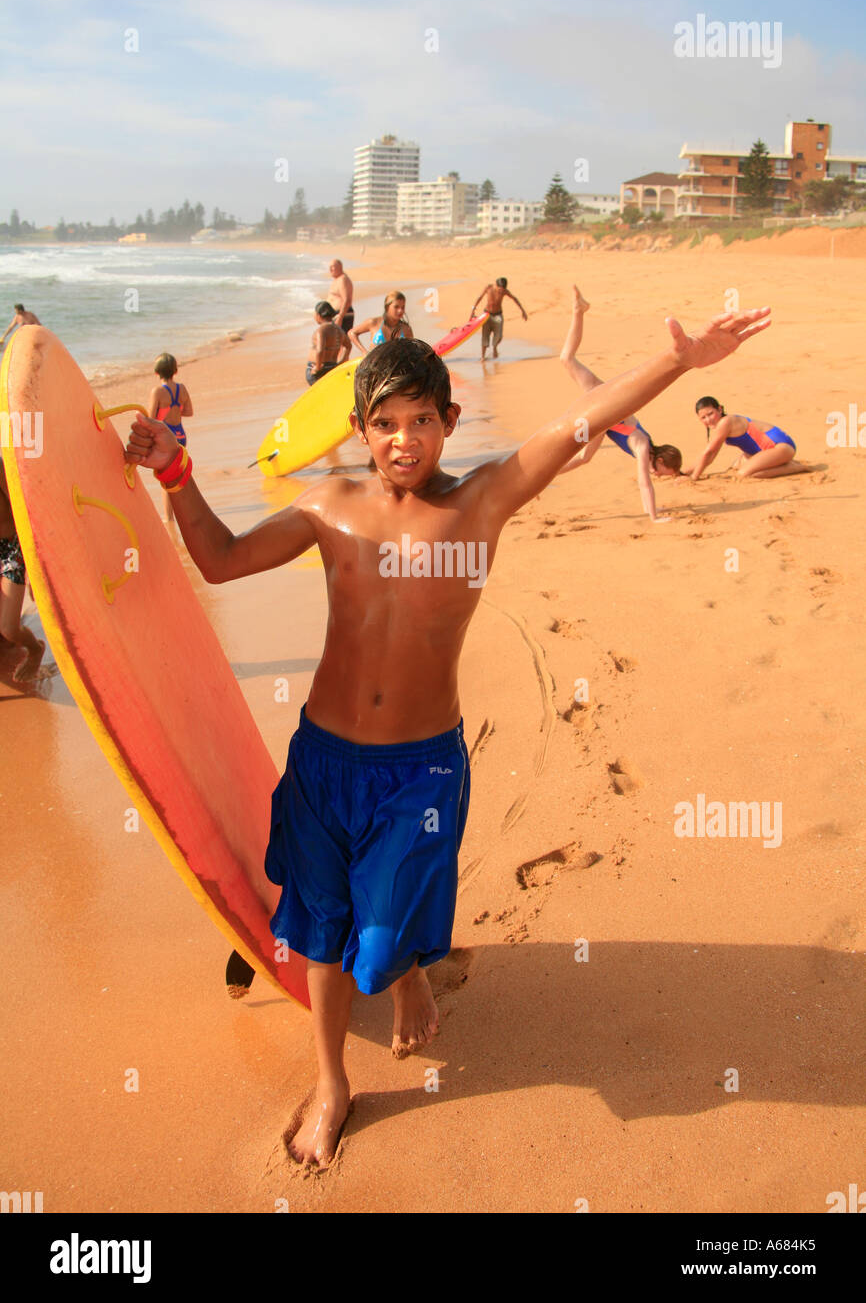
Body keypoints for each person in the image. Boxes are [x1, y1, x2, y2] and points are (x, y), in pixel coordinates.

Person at [124, 302, 770, 1167]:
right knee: (320, 932)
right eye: (384, 423)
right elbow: (221, 561)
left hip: (420, 774)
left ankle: (408, 970)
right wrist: (176, 475)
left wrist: (678, 361)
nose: (403, 440)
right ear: (357, 430)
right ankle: (331, 1083)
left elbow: (582, 419)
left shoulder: (480, 504)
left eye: (421, 420)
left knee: (381, 947)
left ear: (448, 422)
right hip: (324, 761)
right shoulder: (329, 508)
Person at [558, 286, 682, 522]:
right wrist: (654, 518)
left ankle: (579, 310)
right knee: (566, 359)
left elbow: (646, 484)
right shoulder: (643, 446)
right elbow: (644, 483)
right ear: (662, 461)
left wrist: (651, 509)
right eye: (666, 473)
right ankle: (578, 310)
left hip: (603, 416)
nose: (661, 476)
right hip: (603, 406)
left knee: (584, 458)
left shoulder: (645, 445)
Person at [686, 396, 808, 480]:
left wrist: (694, 478)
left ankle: (794, 467)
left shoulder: (725, 422)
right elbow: (708, 456)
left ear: (720, 409)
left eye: (710, 414)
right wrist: (684, 472)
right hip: (765, 451)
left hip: (780, 447)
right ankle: (783, 463)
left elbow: (709, 453)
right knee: (736, 466)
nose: (708, 419)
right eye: (703, 418)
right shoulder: (721, 425)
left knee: (744, 474)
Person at [0, 457, 45, 681]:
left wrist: (33, 573)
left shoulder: (0, 467)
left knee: (8, 628)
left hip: (11, 548)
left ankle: (35, 650)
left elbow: (24, 515)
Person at [148, 354, 193, 523]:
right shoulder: (182, 389)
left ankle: (169, 519)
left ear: (156, 372)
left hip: (166, 437)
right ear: (175, 370)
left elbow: (151, 418)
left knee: (166, 479)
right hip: (181, 435)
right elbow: (189, 412)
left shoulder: (158, 392)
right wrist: (175, 410)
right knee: (178, 474)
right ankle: (181, 511)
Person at [470, 277, 527, 359]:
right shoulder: (489, 288)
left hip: (498, 315)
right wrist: (473, 309)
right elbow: (479, 297)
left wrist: (523, 311)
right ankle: (483, 357)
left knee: (499, 336)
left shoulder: (504, 291)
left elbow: (514, 299)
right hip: (486, 315)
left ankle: (495, 347)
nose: (500, 291)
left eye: (502, 290)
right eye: (499, 289)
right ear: (496, 285)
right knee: (485, 337)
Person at [348, 291, 414, 352]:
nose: (400, 311)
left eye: (403, 307)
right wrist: (364, 352)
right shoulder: (374, 323)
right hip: (374, 363)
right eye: (396, 307)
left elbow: (412, 350)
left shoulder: (406, 329)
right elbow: (352, 333)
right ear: (387, 307)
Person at [306, 302, 351, 386]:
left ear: (318, 315)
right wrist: (342, 361)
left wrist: (317, 368)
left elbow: (320, 350)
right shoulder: (338, 330)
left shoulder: (322, 330)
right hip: (331, 367)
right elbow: (348, 346)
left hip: (318, 369)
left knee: (318, 393)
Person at [327, 259, 354, 335]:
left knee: (340, 341)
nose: (330, 269)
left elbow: (347, 299)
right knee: (336, 342)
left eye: (333, 267)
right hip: (338, 314)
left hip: (343, 314)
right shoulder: (338, 279)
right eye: (330, 267)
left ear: (340, 267)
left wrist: (340, 317)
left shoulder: (343, 279)